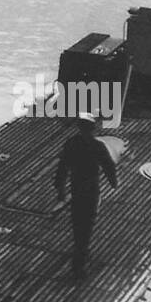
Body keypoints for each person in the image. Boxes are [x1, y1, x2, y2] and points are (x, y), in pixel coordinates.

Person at [54, 113, 118, 279]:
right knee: (87, 224)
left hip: (77, 188)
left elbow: (62, 168)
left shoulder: (71, 143)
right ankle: (79, 262)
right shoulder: (97, 145)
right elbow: (108, 166)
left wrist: (60, 189)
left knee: (78, 223)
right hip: (91, 189)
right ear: (93, 128)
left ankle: (79, 251)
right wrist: (113, 183)